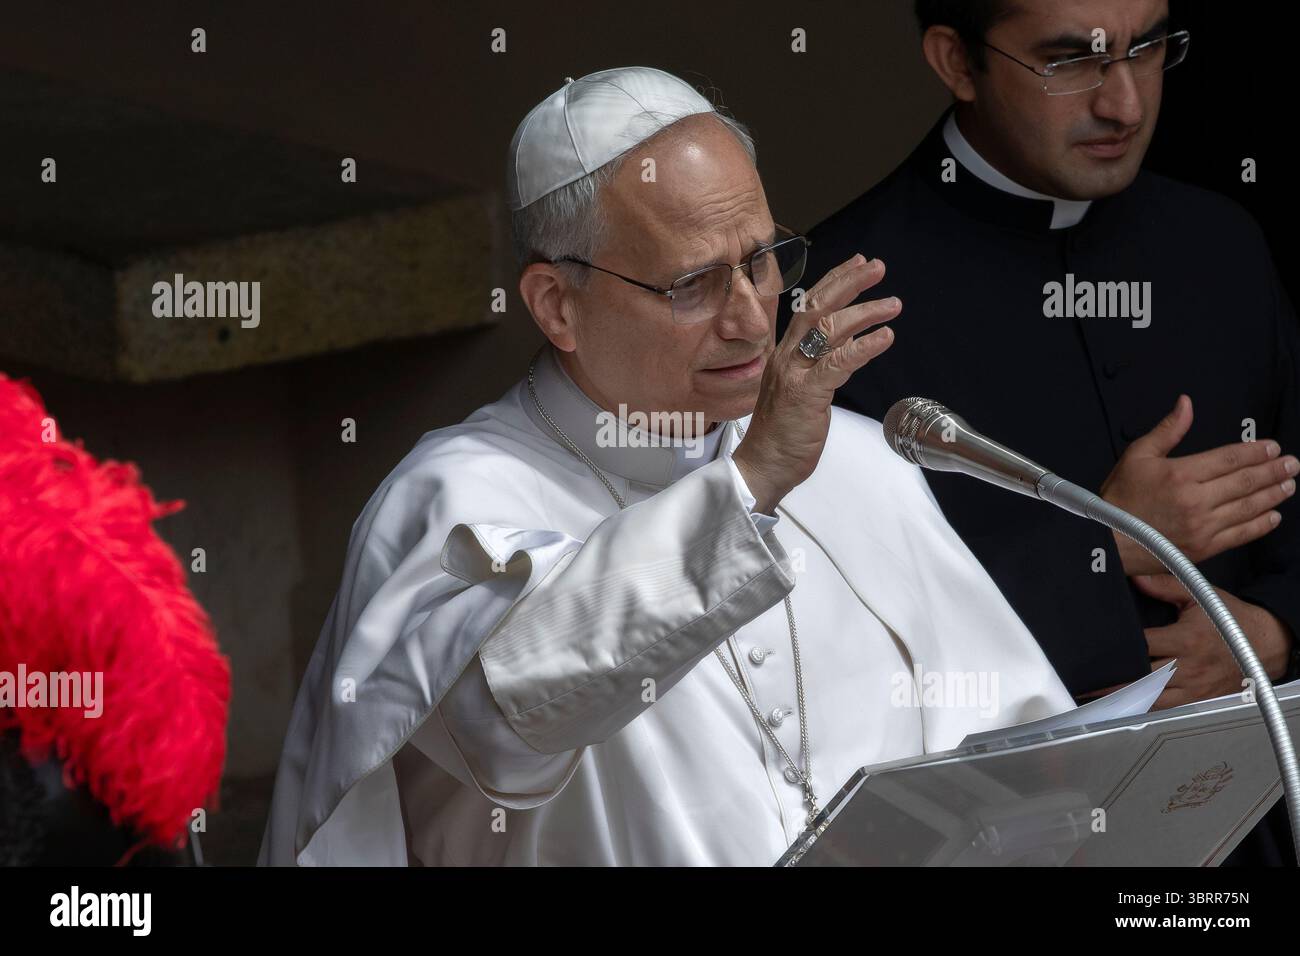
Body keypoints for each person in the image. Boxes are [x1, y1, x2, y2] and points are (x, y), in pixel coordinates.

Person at [259, 66, 1073, 867]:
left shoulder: (861, 461)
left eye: (761, 261)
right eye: (694, 284)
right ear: (556, 305)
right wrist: (750, 483)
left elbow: (1017, 754)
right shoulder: (452, 497)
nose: (752, 319)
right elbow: (508, 714)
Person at [789, 0, 1300, 863]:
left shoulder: (1222, 243)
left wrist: (1274, 635)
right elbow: (823, 645)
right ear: (957, 60)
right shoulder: (841, 313)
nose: (1126, 104)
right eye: (1069, 61)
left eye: (1147, 48)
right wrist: (1104, 544)